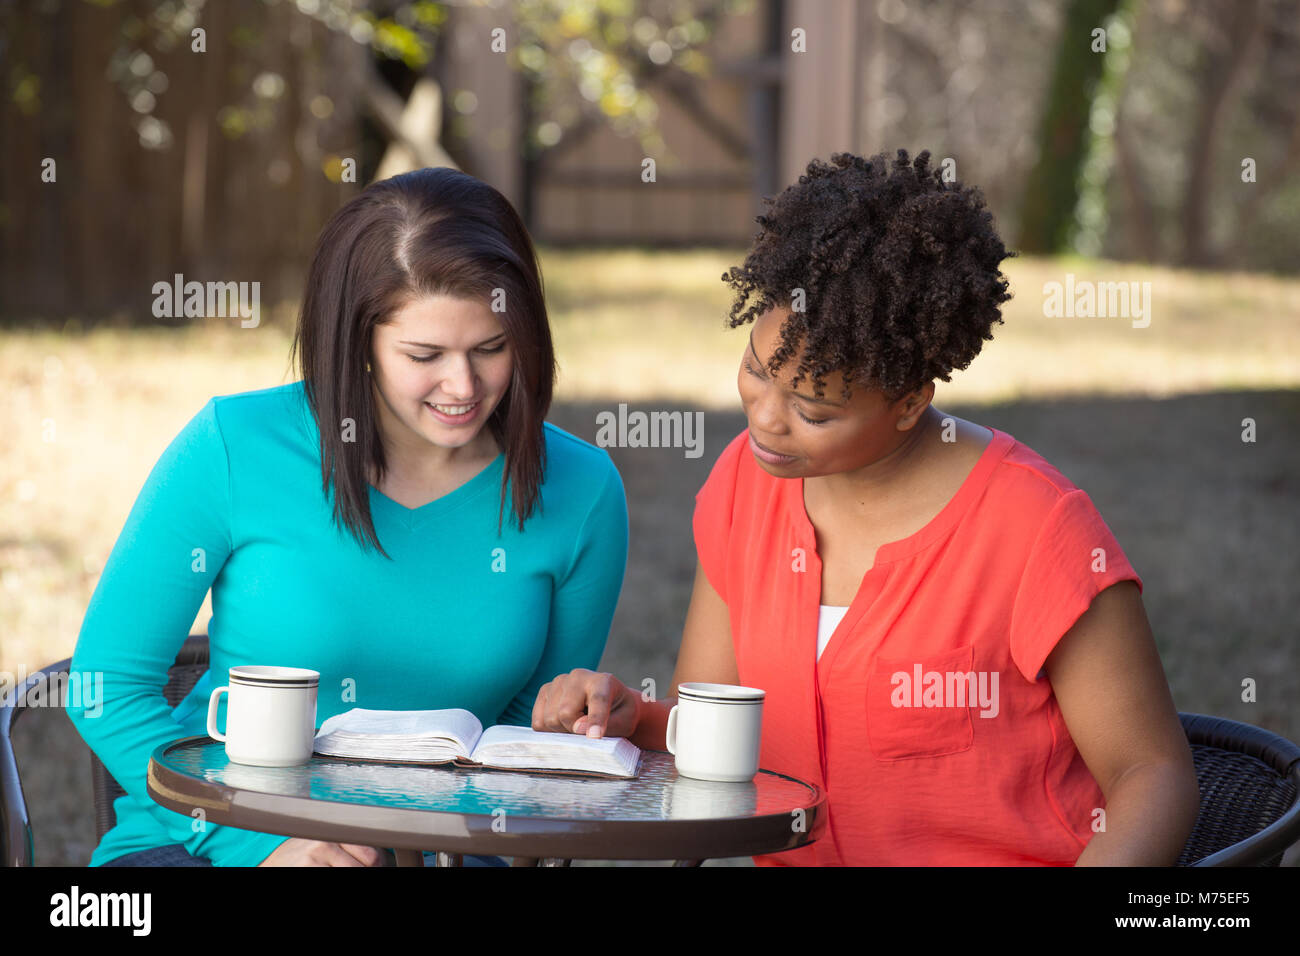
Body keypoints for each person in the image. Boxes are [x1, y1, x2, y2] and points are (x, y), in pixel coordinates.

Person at [532, 150, 1200, 866]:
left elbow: (1152, 776)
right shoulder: (743, 486)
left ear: (912, 401)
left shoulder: (1037, 528)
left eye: (813, 411)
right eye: (756, 372)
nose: (766, 420)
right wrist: (633, 720)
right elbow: (712, 729)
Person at [68, 166, 628, 866]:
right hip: (206, 845)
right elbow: (105, 687)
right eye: (424, 355)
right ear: (357, 341)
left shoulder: (583, 491)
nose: (463, 386)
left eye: (491, 348)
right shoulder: (233, 447)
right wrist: (258, 844)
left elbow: (526, 737)